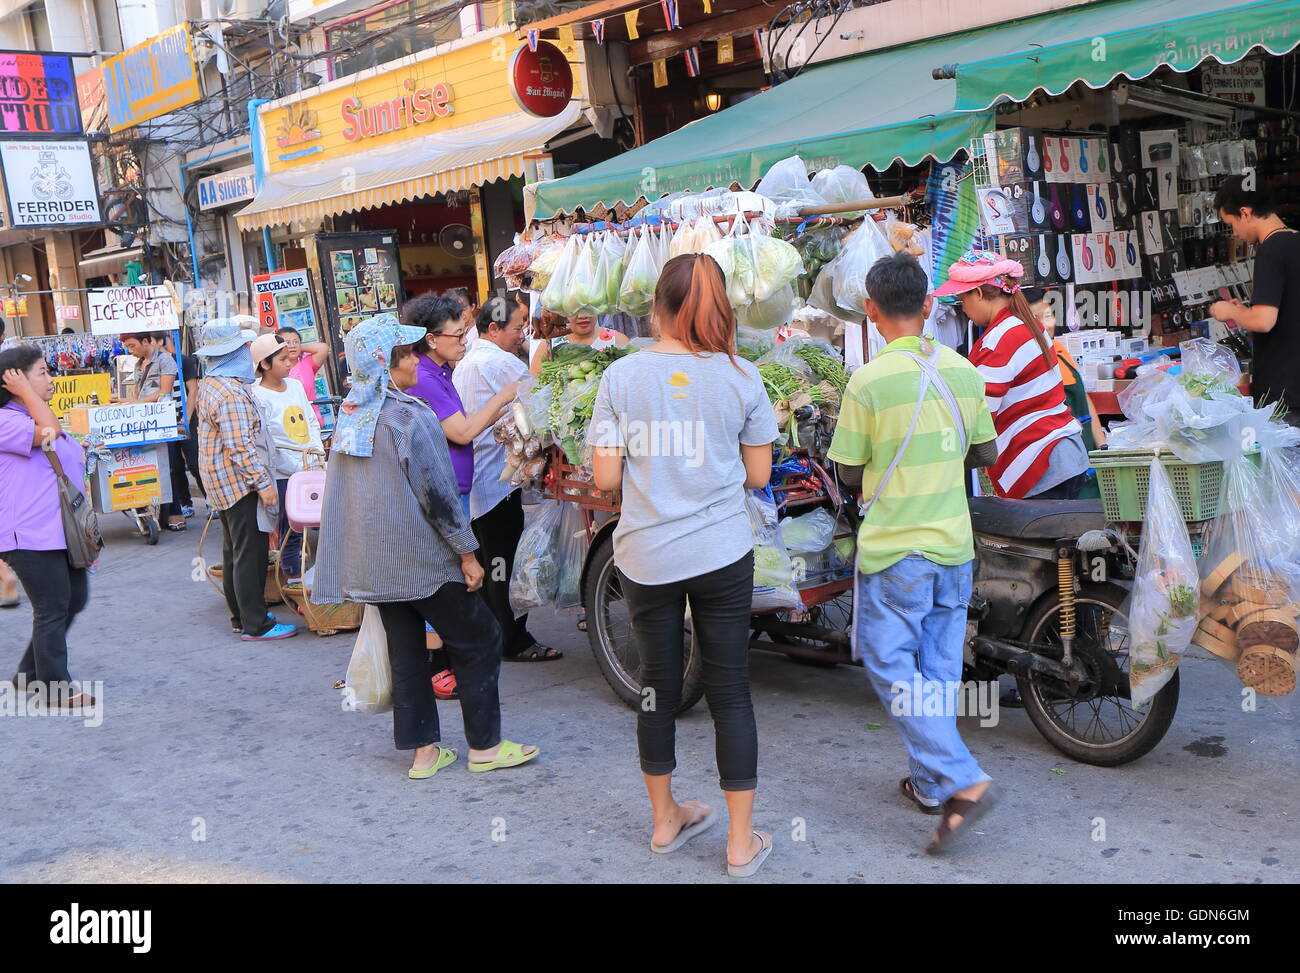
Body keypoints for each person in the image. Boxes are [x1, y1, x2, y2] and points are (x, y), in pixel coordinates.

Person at [588, 253, 778, 878]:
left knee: (656, 686)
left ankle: (665, 820)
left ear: (657, 310)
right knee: (729, 692)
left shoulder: (620, 377)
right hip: (722, 551)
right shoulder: (743, 377)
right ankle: (739, 843)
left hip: (646, 554)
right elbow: (757, 475)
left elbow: (606, 477)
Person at [312, 312, 539, 779]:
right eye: (409, 353)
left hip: (375, 564)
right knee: (480, 636)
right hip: (418, 559)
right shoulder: (408, 417)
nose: (418, 359)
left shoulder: (349, 416)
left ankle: (423, 753)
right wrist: (468, 555)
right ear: (393, 364)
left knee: (407, 648)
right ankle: (485, 747)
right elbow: (437, 496)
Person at [828, 252, 1000, 853]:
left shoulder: (868, 382)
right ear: (928, 306)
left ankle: (961, 778)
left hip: (897, 549)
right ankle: (932, 784)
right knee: (938, 670)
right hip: (953, 546)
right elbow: (984, 455)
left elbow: (848, 472)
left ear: (871, 311)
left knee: (887, 662)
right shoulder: (965, 371)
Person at [453, 294, 561, 662]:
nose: (522, 335)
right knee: (503, 563)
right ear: (494, 329)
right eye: (517, 328)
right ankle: (512, 639)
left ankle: (492, 634)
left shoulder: (467, 359)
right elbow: (540, 396)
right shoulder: (497, 361)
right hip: (496, 481)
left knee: (487, 562)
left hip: (478, 479)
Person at [935, 249, 1087, 499]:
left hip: (1040, 462)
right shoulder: (1027, 324)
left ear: (980, 293)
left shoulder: (1000, 340)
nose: (964, 309)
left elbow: (980, 415)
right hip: (1064, 454)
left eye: (963, 299)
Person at [0, 343, 94, 707]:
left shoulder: (29, 415)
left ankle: (28, 674)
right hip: (27, 534)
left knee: (75, 598)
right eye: (41, 372)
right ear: (15, 381)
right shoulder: (7, 420)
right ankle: (54, 688)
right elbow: (50, 433)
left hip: (56, 531)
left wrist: (29, 392)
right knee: (53, 605)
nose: (51, 379)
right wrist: (24, 390)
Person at [194, 320, 298, 642]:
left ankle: (241, 617)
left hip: (220, 483)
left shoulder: (213, 383)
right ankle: (256, 624)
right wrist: (264, 486)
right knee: (249, 554)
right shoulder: (231, 394)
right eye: (243, 348)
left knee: (234, 552)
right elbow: (241, 448)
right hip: (239, 485)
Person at [1210, 176, 1300, 423]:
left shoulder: (1271, 250)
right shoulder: (1294, 241)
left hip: (1284, 395)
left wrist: (1229, 311)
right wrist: (1245, 310)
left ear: (1245, 213)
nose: (1234, 233)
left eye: (1231, 224)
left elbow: (1263, 320)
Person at [251, 333, 323, 581]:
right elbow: (267, 441)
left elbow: (310, 420)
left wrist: (316, 453)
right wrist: (295, 467)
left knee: (325, 523)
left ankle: (322, 578)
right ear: (264, 364)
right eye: (282, 359)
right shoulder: (256, 395)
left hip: (311, 467)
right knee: (291, 532)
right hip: (283, 474)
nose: (289, 363)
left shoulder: (294, 386)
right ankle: (294, 583)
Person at [1024, 287, 1106, 454]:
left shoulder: (1060, 350)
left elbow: (1083, 397)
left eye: (1048, 316)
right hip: (1060, 455)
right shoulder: (1025, 362)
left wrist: (1103, 446)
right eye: (1035, 318)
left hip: (1087, 449)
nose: (1045, 325)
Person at [530, 313, 630, 376]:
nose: (582, 316)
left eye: (588, 308)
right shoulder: (550, 345)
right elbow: (534, 383)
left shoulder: (618, 340)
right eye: (575, 309)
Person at [279, 326, 331, 426]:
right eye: (287, 342)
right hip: (289, 422)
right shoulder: (275, 368)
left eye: (295, 341)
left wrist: (298, 347)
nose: (292, 345)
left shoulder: (307, 363)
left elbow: (323, 348)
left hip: (312, 421)